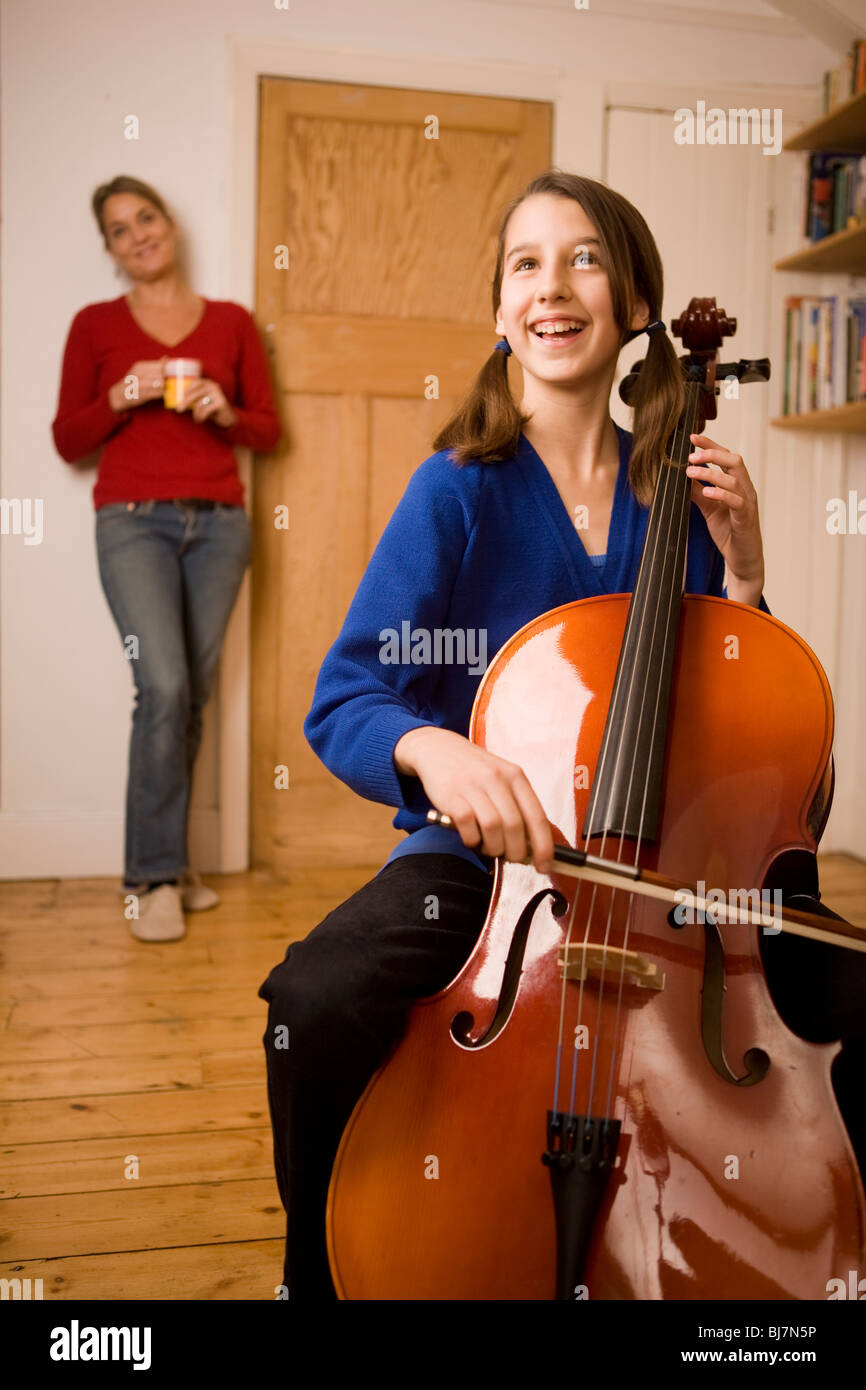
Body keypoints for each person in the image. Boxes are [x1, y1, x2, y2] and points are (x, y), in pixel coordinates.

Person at [257, 168, 866, 1300]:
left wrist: (741, 575)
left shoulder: (674, 494)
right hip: (491, 873)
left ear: (635, 301)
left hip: (685, 872)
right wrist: (437, 752)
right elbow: (346, 700)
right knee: (315, 1003)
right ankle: (318, 1276)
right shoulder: (457, 490)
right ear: (499, 313)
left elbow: (764, 749)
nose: (552, 284)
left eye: (582, 256)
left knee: (844, 995)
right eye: (524, 264)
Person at [52, 175, 280, 942]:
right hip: (132, 523)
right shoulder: (94, 324)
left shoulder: (231, 321)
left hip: (220, 526)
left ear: (169, 223)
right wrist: (120, 395)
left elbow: (268, 430)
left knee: (195, 694)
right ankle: (148, 879)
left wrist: (226, 410)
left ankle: (173, 863)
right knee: (163, 684)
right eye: (119, 229)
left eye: (145, 217)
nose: (137, 234)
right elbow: (67, 439)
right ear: (110, 249)